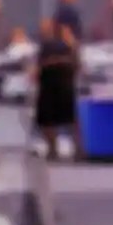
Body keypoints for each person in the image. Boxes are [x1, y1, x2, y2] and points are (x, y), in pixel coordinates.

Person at [34, 18, 81, 161]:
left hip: (58, 84)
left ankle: (71, 149)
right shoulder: (52, 45)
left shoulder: (63, 44)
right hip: (54, 85)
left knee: (63, 119)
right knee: (58, 120)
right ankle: (57, 149)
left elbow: (75, 64)